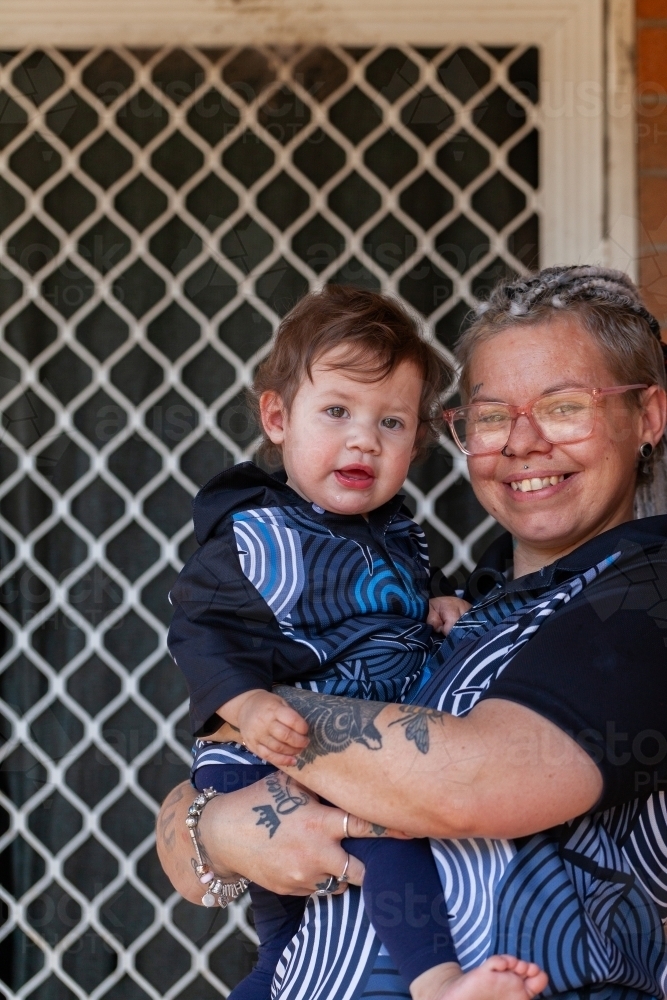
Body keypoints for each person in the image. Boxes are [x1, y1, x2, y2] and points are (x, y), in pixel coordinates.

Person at [157, 266, 667, 1000]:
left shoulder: (643, 592)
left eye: (562, 406)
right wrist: (219, 831)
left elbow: (463, 784)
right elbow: (181, 846)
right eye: (491, 415)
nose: (522, 442)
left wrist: (246, 731)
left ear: (647, 416)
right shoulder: (443, 606)